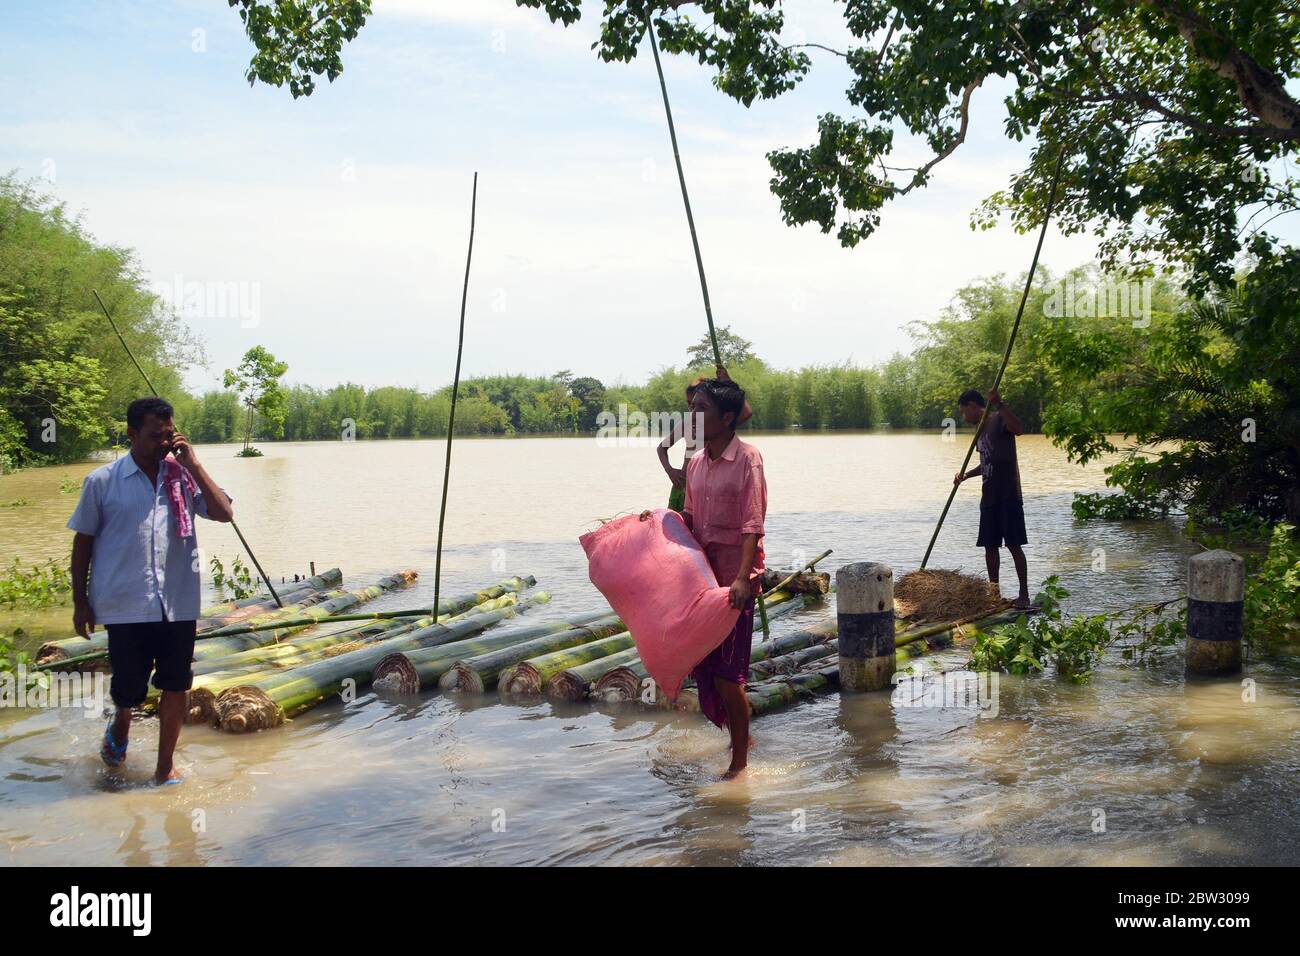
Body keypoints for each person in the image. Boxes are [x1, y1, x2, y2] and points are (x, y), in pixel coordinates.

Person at [68, 396, 234, 784]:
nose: (164, 443)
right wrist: (80, 601)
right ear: (131, 434)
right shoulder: (103, 482)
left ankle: (164, 767)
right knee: (128, 689)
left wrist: (194, 463)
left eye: (168, 434)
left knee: (177, 683)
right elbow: (83, 542)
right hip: (125, 604)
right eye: (154, 435)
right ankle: (122, 720)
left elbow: (224, 513)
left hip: (178, 602)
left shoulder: (182, 476)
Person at [680, 377, 766, 779]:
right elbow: (691, 521)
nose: (693, 416)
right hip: (703, 582)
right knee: (706, 672)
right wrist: (656, 524)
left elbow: (752, 524)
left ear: (728, 417)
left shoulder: (748, 459)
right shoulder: (696, 463)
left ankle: (739, 766)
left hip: (735, 584)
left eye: (702, 409)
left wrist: (744, 578)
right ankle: (740, 738)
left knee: (729, 678)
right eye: (693, 408)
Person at [953, 386, 1032, 610]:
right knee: (990, 546)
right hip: (989, 497)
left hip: (1008, 494)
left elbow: (1019, 429)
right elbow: (987, 461)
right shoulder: (979, 430)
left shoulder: (998, 419)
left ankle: (1024, 595)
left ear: (971, 406)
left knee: (1014, 545)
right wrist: (966, 475)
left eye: (962, 411)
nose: (963, 416)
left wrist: (999, 403)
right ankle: (994, 594)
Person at [657, 365, 752, 512]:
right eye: (690, 405)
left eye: (701, 406)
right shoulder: (687, 424)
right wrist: (671, 471)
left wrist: (727, 382)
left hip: (705, 487)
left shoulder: (718, 426)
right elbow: (662, 448)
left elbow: (745, 413)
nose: (693, 411)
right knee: (675, 529)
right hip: (683, 485)